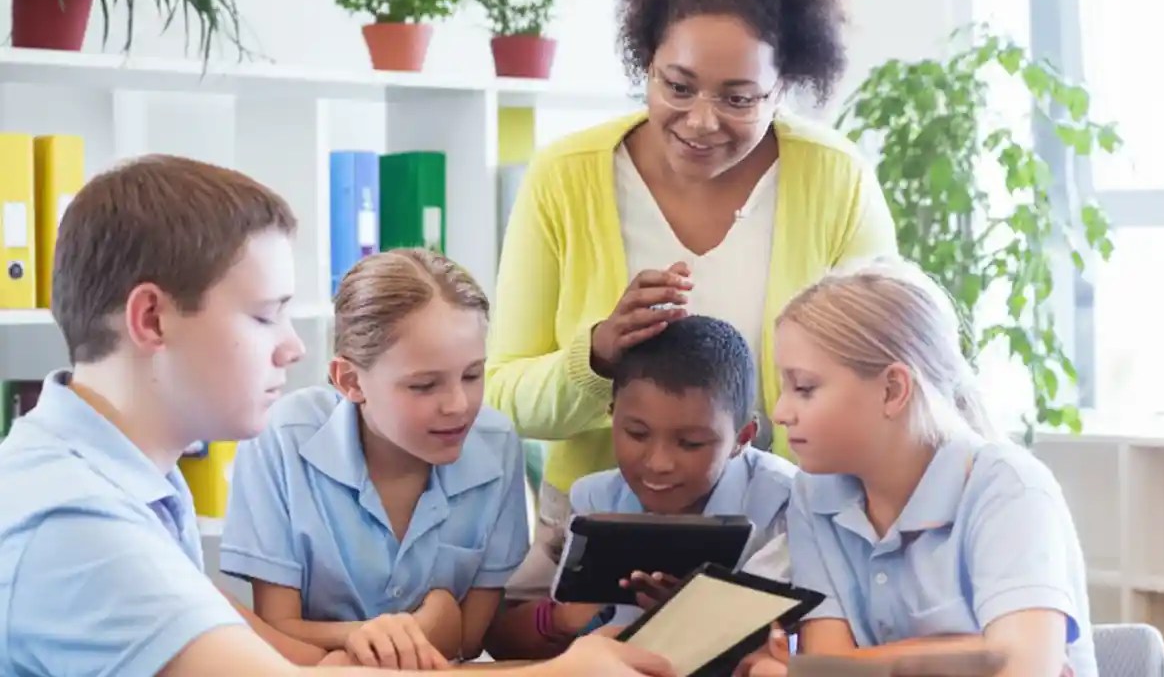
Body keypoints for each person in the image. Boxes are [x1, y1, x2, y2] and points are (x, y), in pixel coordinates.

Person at [0, 155, 675, 677]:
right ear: (151, 319)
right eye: (265, 315)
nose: (292, 346)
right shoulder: (72, 523)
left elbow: (222, 629)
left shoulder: (127, 481)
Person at [490, 0, 898, 610]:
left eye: (738, 98)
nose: (701, 121)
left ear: (784, 84)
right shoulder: (563, 177)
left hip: (795, 525)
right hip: (600, 528)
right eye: (677, 86)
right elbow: (501, 399)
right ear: (643, 64)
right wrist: (596, 357)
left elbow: (886, 385)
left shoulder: (836, 180)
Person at [737, 256, 1097, 677]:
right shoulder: (812, 494)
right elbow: (826, 666)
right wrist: (972, 654)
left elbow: (1023, 669)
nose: (780, 412)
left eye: (805, 388)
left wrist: (840, 666)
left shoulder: (1011, 489)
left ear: (893, 390)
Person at [220, 248, 527, 669]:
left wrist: (432, 628)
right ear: (350, 381)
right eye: (423, 385)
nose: (458, 405)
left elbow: (469, 639)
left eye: (473, 375)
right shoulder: (280, 440)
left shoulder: (498, 446)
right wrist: (427, 621)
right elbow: (278, 625)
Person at [485, 316, 796, 659]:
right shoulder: (595, 501)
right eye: (637, 434)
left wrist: (699, 622)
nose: (658, 462)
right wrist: (562, 619)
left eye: (691, 443)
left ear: (743, 438)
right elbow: (499, 638)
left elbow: (802, 648)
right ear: (611, 415)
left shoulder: (786, 504)